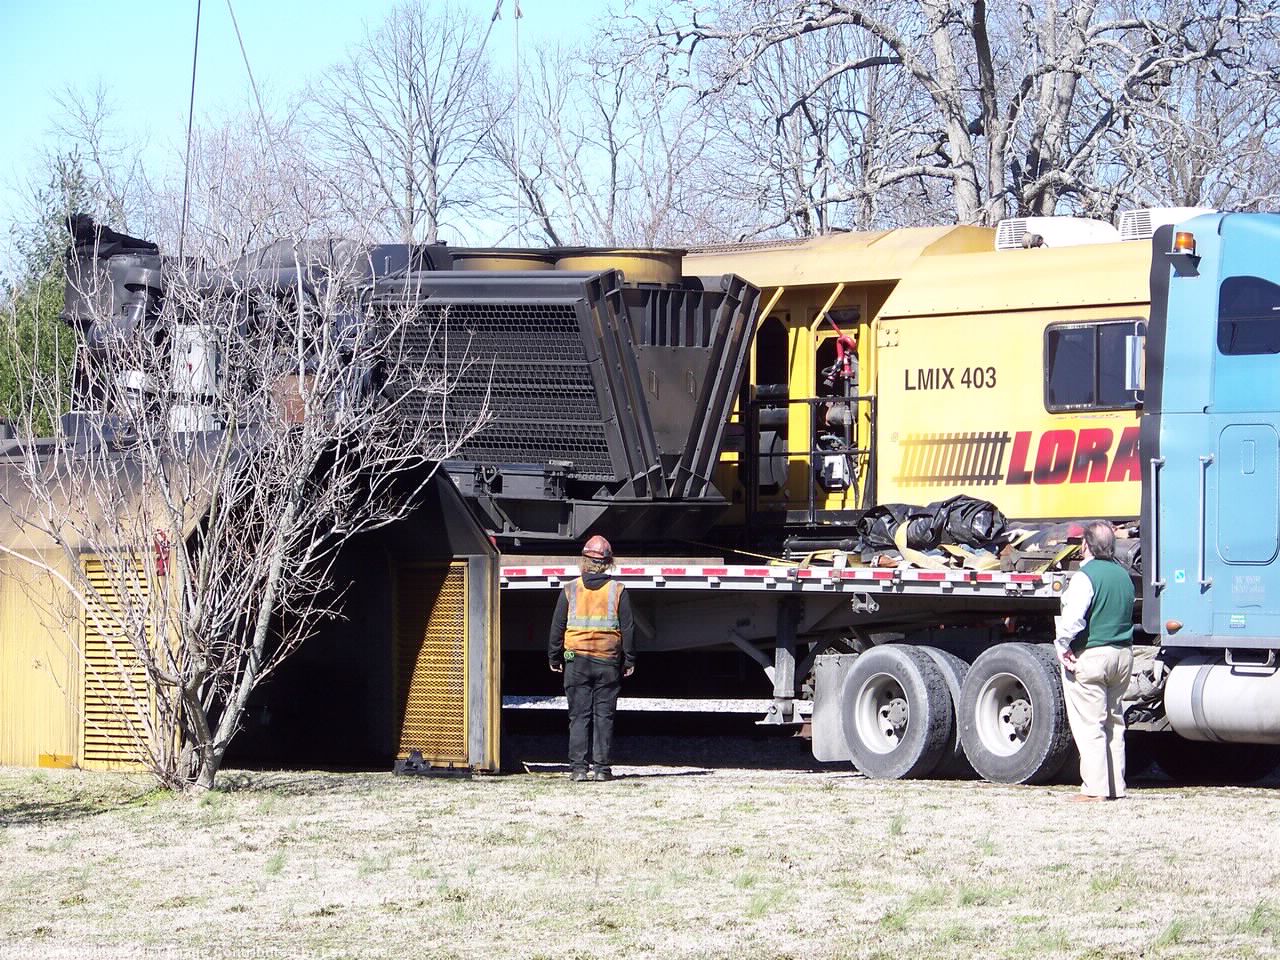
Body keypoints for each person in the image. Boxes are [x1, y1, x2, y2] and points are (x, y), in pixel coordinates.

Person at [1054, 520, 1136, 801]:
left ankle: (1094, 790)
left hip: (1093, 654)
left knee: (1091, 724)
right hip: (1123, 655)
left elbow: (1074, 618)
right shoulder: (1123, 575)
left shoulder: (1085, 576)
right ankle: (1116, 787)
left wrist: (1062, 644)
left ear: (1085, 545)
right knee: (1114, 722)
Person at [548, 535, 635, 782]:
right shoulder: (618, 590)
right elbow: (628, 628)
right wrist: (629, 660)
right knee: (603, 716)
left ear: (584, 561)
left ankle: (577, 769)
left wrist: (555, 656)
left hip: (575, 660)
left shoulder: (570, 589)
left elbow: (558, 626)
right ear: (608, 563)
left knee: (578, 716)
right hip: (607, 661)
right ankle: (602, 769)